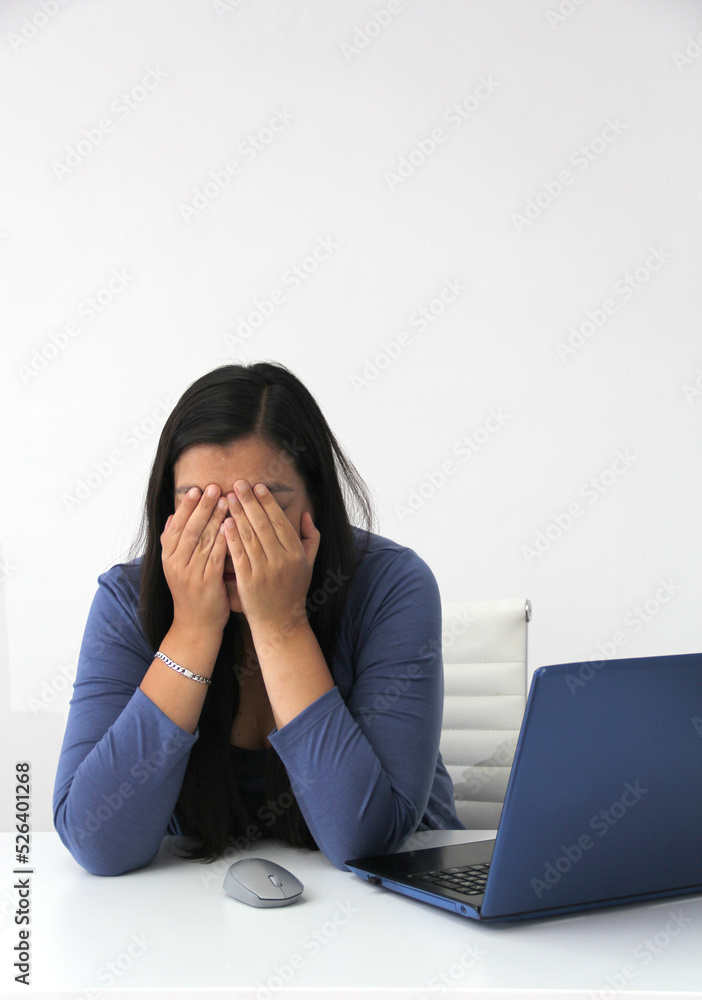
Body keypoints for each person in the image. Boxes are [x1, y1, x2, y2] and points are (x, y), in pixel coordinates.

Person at [53, 361, 464, 876]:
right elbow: (99, 844)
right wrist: (191, 631)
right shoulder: (125, 599)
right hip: (193, 914)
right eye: (199, 507)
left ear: (317, 502)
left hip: (406, 904)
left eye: (261, 505)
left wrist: (282, 625)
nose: (229, 538)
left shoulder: (393, 584)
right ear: (167, 509)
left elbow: (366, 843)